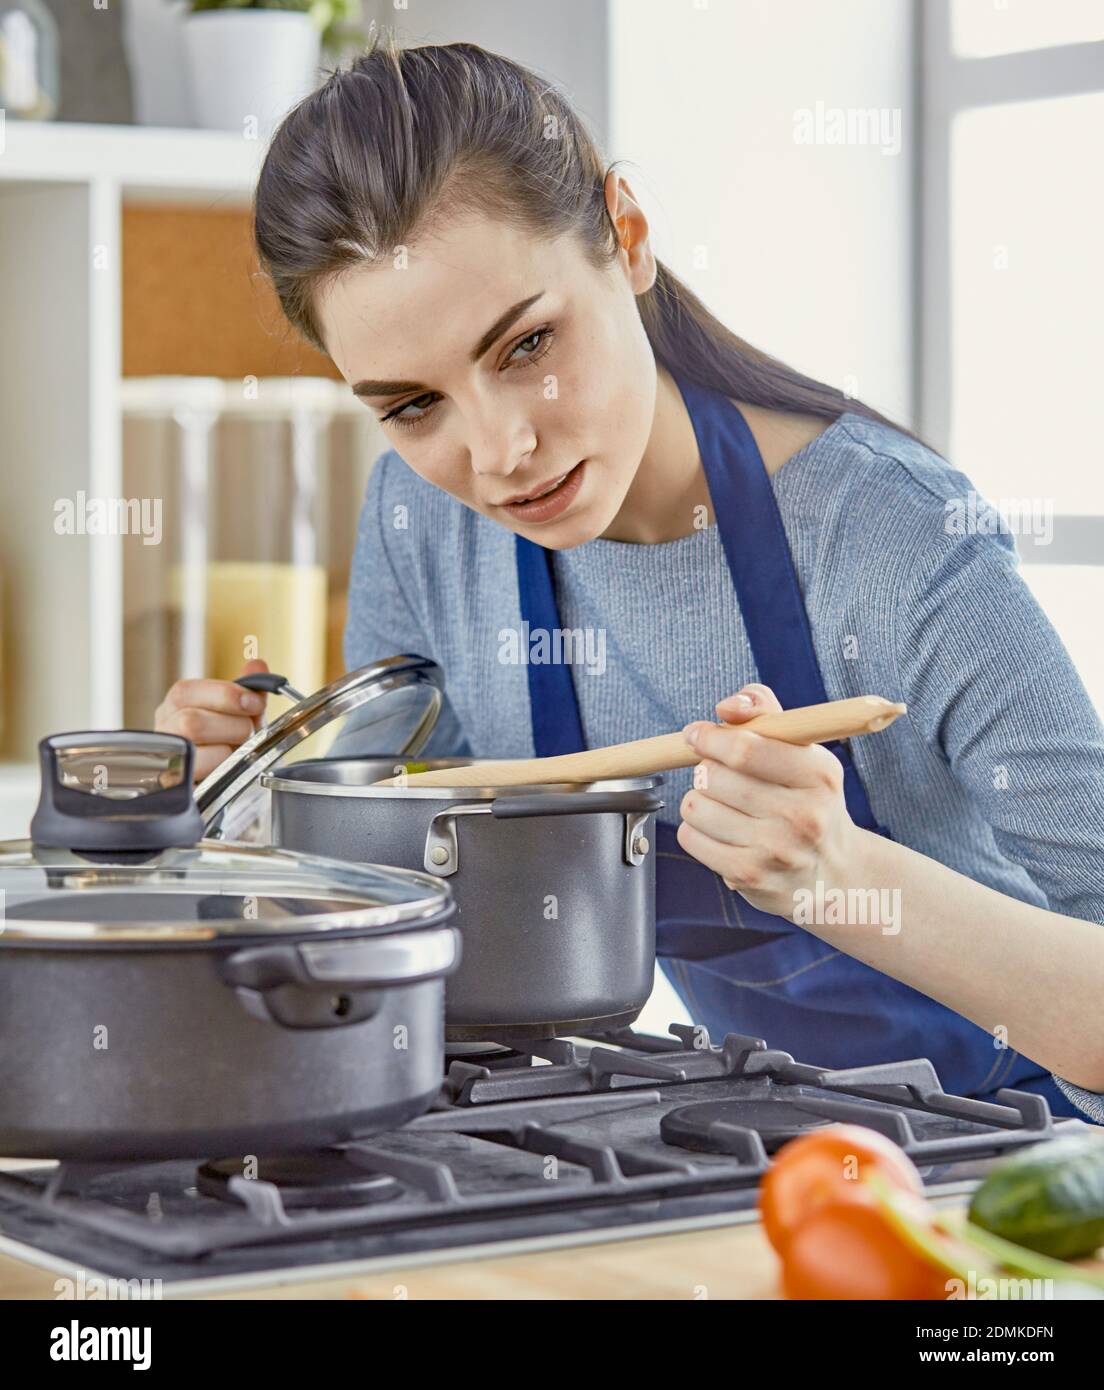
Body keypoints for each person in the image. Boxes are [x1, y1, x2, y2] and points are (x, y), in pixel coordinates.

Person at [156, 37, 1104, 1122]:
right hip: (732, 1147)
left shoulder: (897, 537)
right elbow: (394, 922)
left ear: (629, 236)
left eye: (526, 345)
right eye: (414, 405)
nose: (502, 450)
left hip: (1015, 1169)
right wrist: (227, 824)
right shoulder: (422, 520)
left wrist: (842, 877)